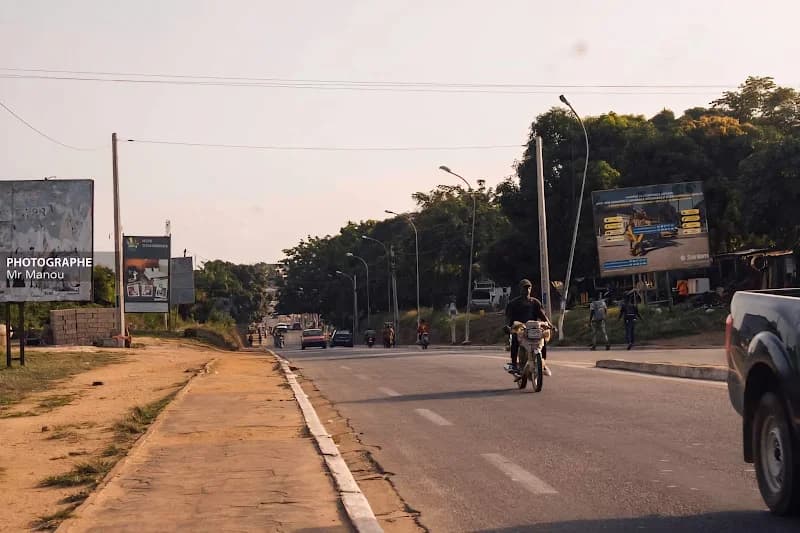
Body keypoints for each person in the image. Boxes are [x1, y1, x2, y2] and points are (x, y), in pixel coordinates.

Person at [504, 278, 554, 376]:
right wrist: (507, 327)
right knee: (515, 340)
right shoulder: (513, 303)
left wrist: (550, 325)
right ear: (520, 289)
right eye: (524, 288)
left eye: (529, 288)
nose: (527, 290)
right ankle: (514, 364)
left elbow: (543, 315)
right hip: (519, 329)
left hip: (533, 329)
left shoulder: (535, 302)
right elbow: (508, 317)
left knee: (542, 340)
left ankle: (543, 363)